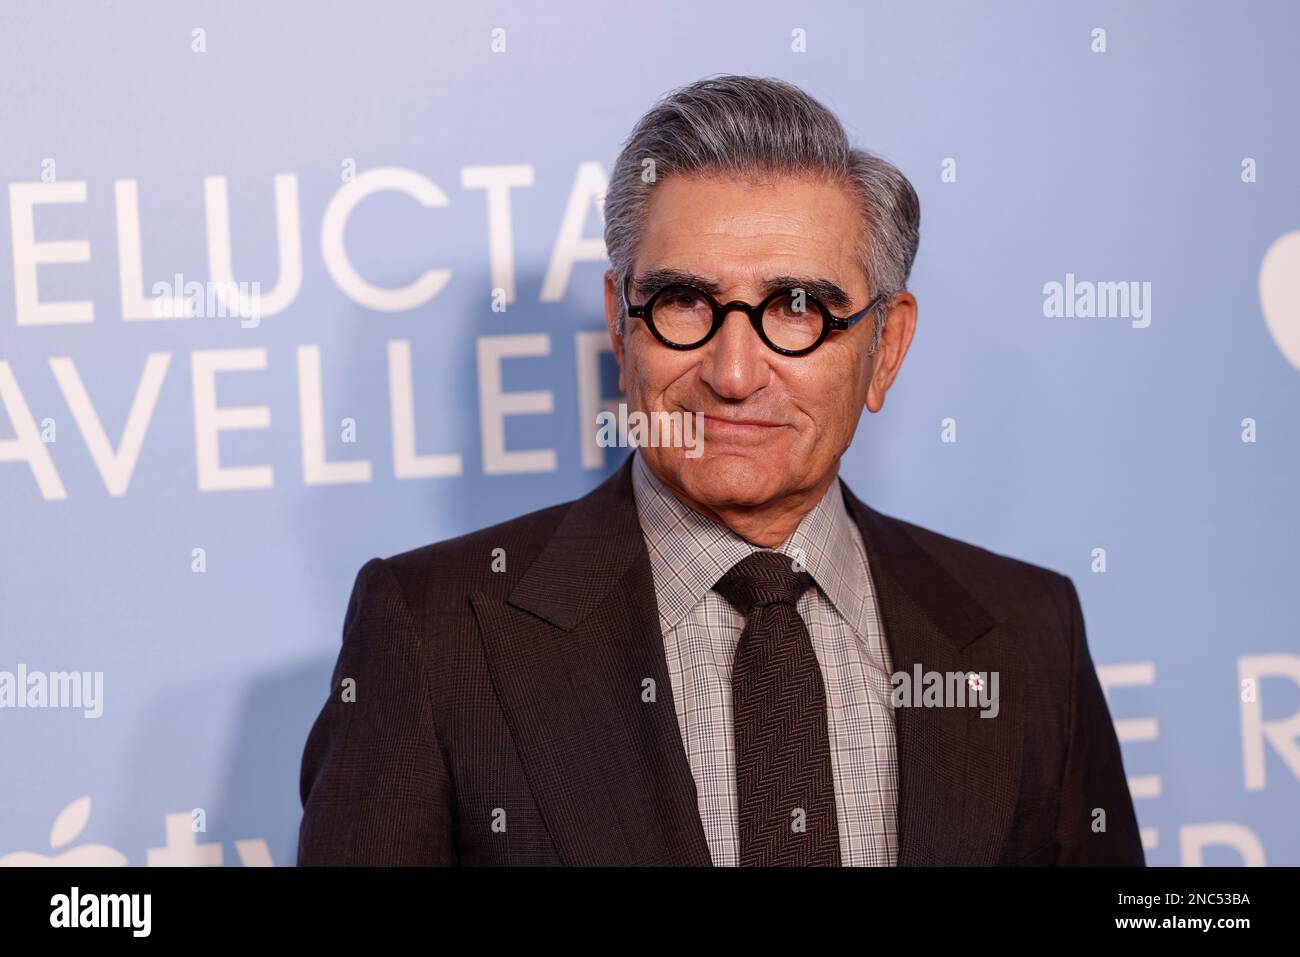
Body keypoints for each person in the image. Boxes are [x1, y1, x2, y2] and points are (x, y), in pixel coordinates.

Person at [297, 74, 1144, 866]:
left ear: (886, 347)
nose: (734, 373)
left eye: (798, 308)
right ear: (620, 327)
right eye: (683, 302)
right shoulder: (432, 632)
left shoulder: (1028, 629)